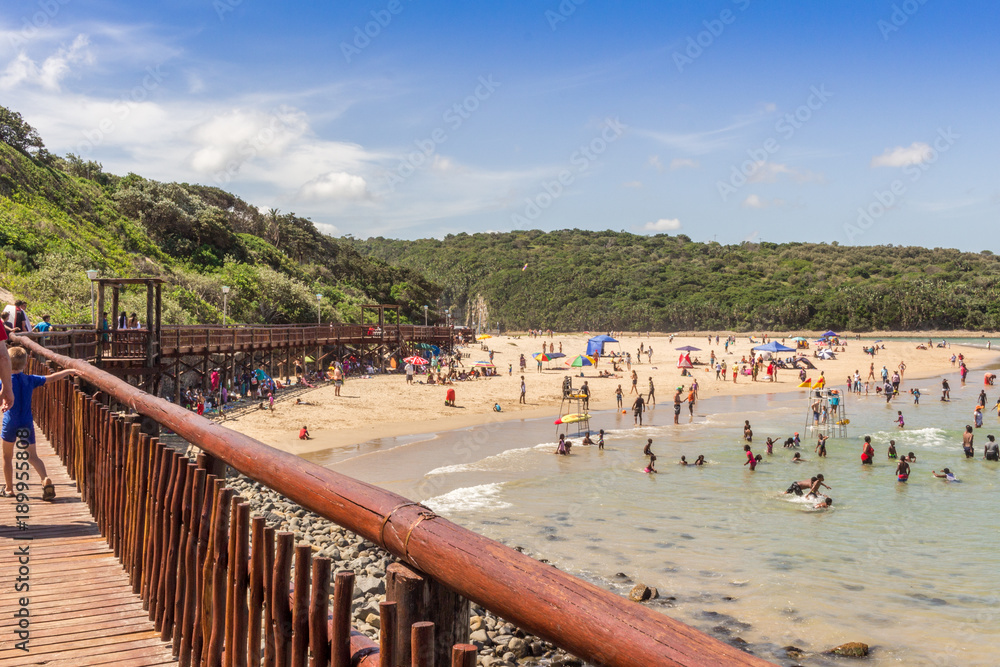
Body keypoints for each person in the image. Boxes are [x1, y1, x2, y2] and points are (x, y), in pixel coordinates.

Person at [2, 347, 79, 501]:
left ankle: (9, 489)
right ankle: (45, 479)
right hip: (26, 422)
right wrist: (68, 370)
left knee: (7, 457)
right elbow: (52, 378)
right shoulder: (31, 379)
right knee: (33, 456)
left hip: (10, 422)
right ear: (25, 364)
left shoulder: (3, 382)